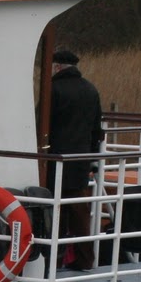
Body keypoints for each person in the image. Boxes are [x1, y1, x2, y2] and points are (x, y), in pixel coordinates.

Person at [42, 48, 104, 270]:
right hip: (80, 161)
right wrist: (92, 159)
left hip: (54, 160)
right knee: (80, 215)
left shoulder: (52, 90)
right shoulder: (90, 90)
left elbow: (42, 123)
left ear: (57, 66)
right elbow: (97, 129)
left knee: (55, 213)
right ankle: (85, 260)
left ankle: (54, 261)